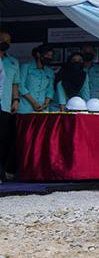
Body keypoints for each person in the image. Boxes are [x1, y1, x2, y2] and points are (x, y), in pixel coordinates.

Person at [0, 32, 19, 181]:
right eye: (2, 40)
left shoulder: (12, 62)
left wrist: (16, 99)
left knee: (3, 138)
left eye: (8, 41)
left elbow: (15, 83)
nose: (5, 43)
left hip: (5, 104)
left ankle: (2, 171)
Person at [20, 45, 55, 113]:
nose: (49, 57)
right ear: (38, 54)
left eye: (51, 56)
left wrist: (46, 104)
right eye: (47, 55)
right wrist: (33, 102)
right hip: (25, 106)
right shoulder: (26, 67)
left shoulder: (50, 71)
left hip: (43, 107)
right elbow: (21, 86)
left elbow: (50, 89)